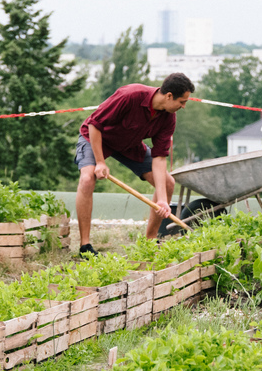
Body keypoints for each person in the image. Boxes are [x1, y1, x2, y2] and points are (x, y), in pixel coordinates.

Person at [75, 72, 194, 255]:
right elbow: (94, 125)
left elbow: (160, 158)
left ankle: (149, 242)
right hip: (96, 138)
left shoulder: (168, 118)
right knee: (87, 179)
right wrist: (100, 162)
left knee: (168, 183)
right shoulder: (130, 95)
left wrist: (162, 199)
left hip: (129, 144)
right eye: (182, 102)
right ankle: (85, 247)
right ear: (169, 96)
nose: (184, 106)